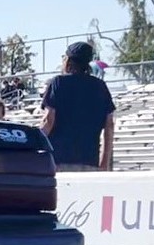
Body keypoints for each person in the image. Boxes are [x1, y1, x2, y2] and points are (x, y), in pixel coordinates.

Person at [39, 41, 115, 171]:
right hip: (90, 160)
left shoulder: (58, 82)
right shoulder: (100, 86)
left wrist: (35, 145)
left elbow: (48, 121)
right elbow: (109, 126)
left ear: (68, 60)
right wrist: (104, 162)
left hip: (59, 160)